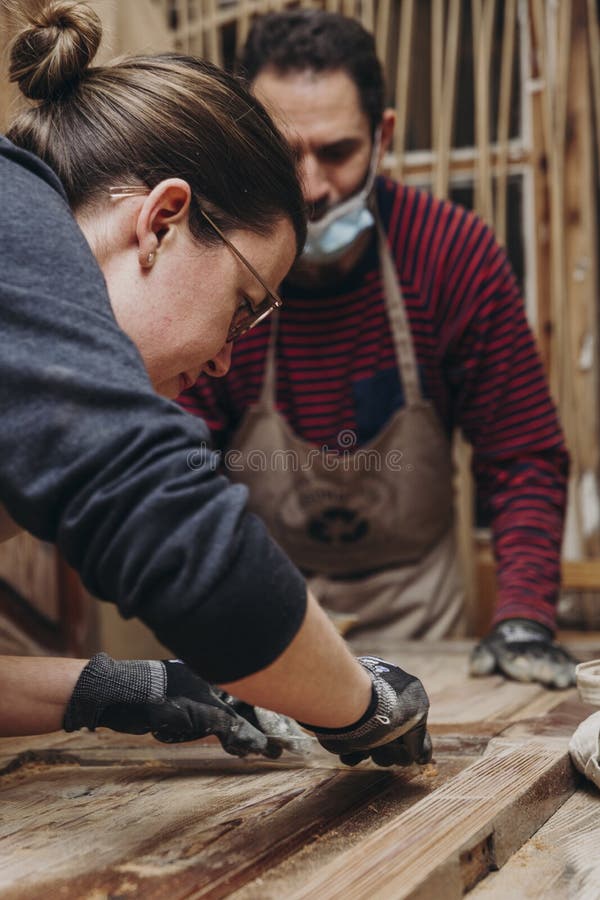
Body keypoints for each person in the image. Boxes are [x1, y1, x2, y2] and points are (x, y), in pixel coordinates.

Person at [0, 0, 432, 768]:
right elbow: (169, 523)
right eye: (242, 309)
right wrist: (363, 704)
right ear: (163, 221)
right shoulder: (10, 217)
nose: (229, 360)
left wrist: (109, 686)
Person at [179, 9, 576, 689]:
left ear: (383, 136)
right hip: (263, 619)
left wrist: (523, 617)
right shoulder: (216, 268)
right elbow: (182, 467)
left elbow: (523, 456)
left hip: (425, 623)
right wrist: (227, 628)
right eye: (283, 151)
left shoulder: (452, 255)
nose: (309, 186)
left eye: (337, 152)